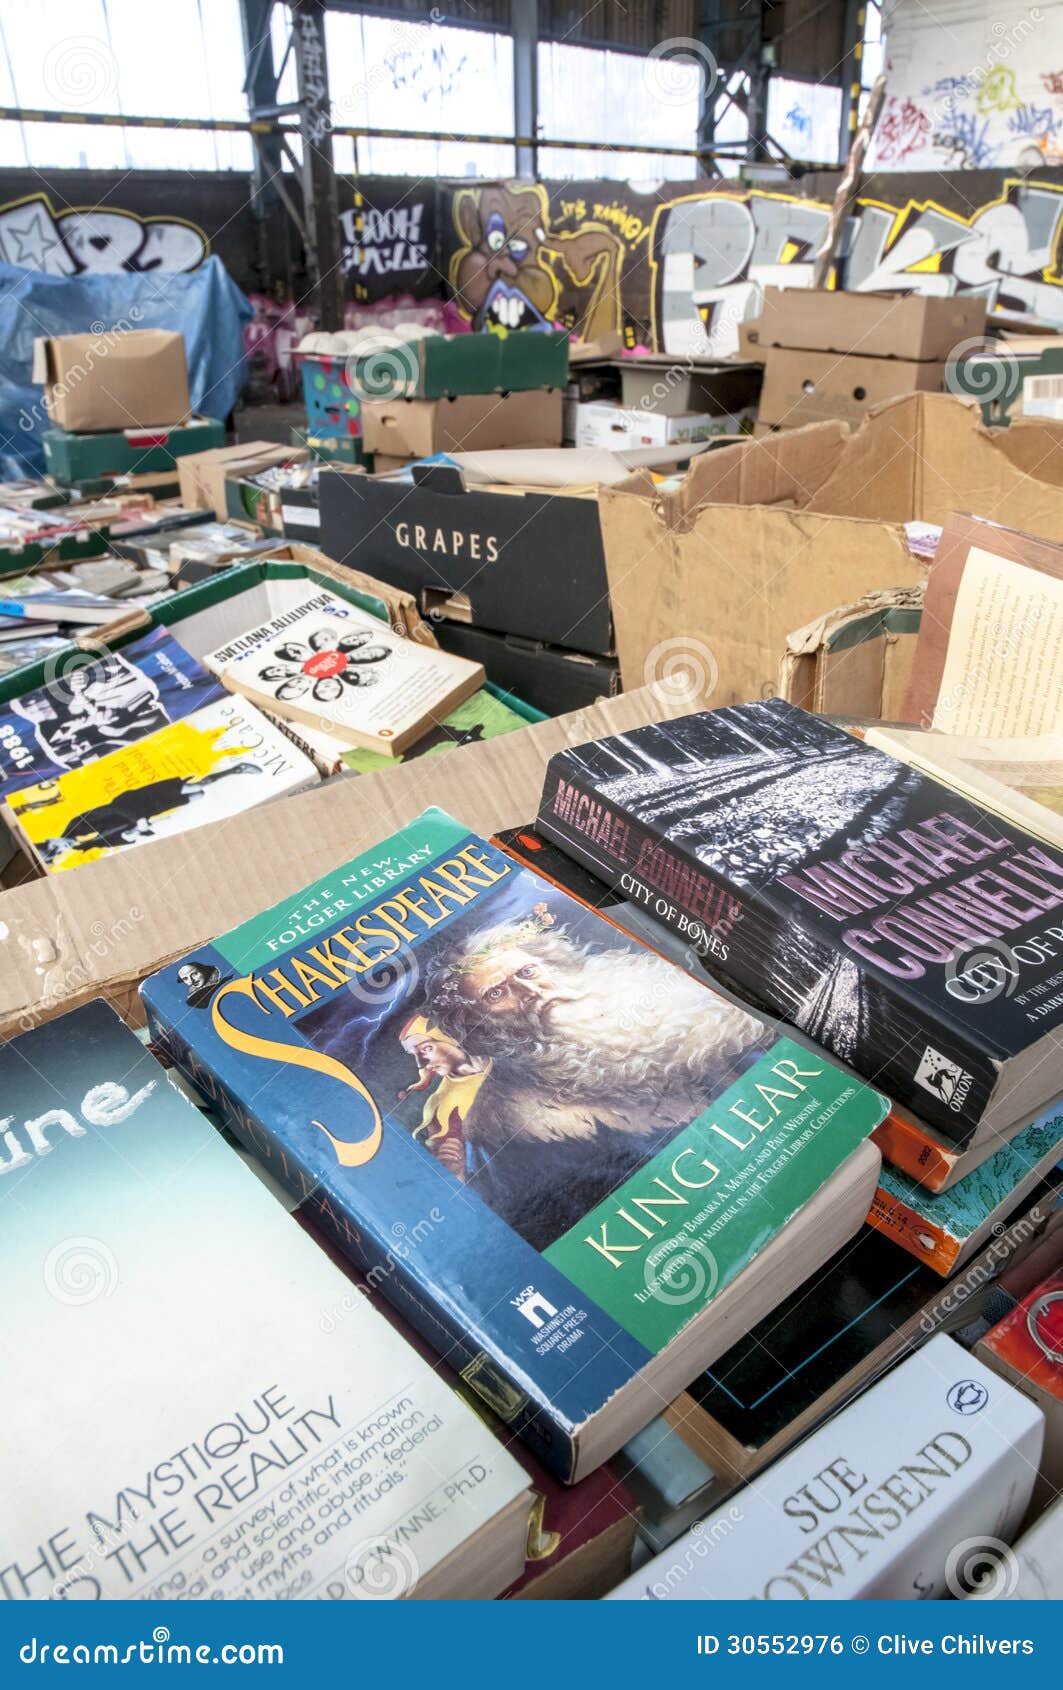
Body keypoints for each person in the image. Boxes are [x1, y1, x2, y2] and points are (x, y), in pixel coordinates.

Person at [421, 909, 765, 1248]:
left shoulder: (659, 997)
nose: (529, 991)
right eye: (497, 993)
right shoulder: (509, 1122)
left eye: (527, 971)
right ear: (480, 1023)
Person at [26, 761, 261, 866]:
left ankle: (235, 769)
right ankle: (232, 773)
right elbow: (113, 840)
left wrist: (135, 820)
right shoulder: (83, 846)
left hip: (139, 800)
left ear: (50, 839)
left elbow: (114, 808)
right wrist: (132, 835)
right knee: (197, 797)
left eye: (55, 847)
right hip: (148, 813)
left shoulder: (77, 823)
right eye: (57, 854)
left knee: (196, 787)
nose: (61, 848)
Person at [396, 1014, 488, 1180]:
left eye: (426, 1049)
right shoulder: (440, 1110)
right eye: (413, 1055)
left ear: (450, 1037)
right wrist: (456, 1170)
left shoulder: (506, 1058)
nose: (420, 1064)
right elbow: (455, 1181)